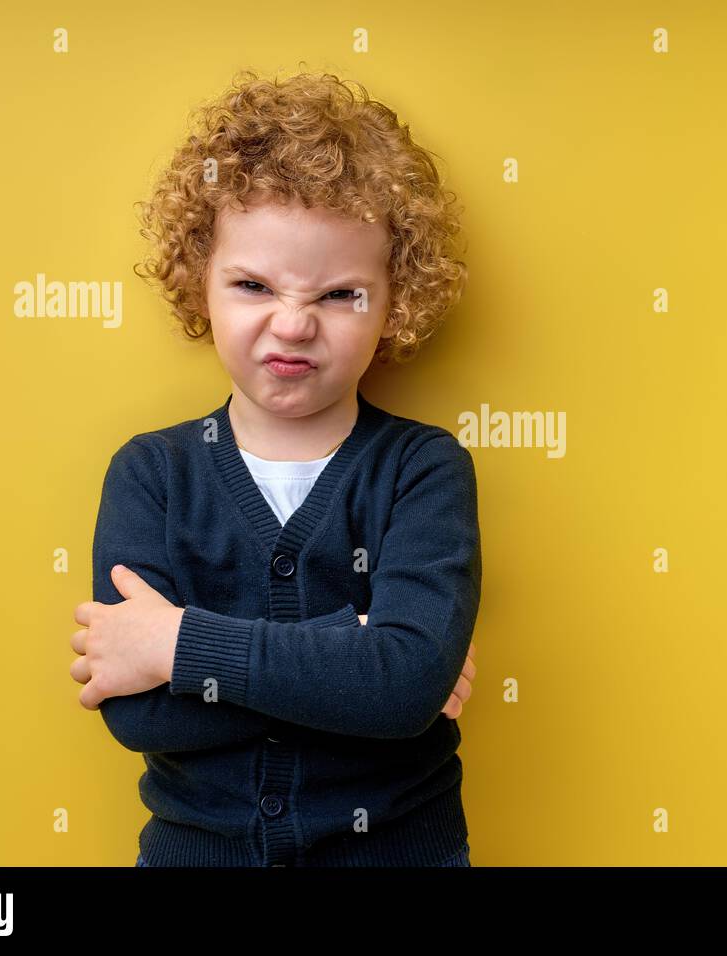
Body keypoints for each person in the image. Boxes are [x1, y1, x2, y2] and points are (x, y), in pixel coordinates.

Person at [67, 68, 479, 867]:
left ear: (396, 302)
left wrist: (177, 645)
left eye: (338, 295)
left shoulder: (423, 469)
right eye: (253, 284)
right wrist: (359, 656)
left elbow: (404, 688)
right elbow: (138, 717)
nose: (292, 324)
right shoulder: (152, 472)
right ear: (199, 282)